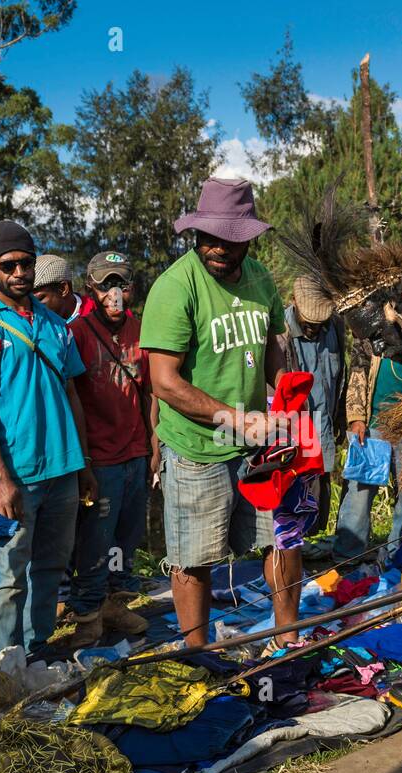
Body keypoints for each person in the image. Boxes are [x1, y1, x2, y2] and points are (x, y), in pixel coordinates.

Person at [140, 177, 293, 648]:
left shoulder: (262, 279)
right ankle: (198, 651)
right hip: (196, 448)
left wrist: (287, 404)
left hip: (255, 441)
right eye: (209, 238)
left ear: (248, 238)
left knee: (281, 535)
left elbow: (273, 348)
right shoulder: (174, 287)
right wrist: (236, 418)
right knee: (195, 556)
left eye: (231, 239)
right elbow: (164, 382)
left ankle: (289, 636)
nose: (219, 248)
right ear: (196, 235)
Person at [0, 221, 97, 657]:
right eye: (8, 265)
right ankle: (0, 664)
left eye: (26, 262)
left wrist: (84, 465)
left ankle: (34, 653)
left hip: (62, 469)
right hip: (13, 476)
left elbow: (72, 395)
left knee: (50, 567)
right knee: (7, 574)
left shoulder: (56, 325)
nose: (20, 272)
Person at [61, 251, 154, 645]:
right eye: (105, 286)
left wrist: (154, 443)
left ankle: (117, 604)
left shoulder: (141, 330)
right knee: (95, 542)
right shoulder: (76, 334)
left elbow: (149, 389)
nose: (114, 295)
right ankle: (88, 616)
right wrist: (82, 462)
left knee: (127, 536)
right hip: (99, 458)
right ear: (90, 289)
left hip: (136, 453)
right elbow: (69, 398)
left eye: (122, 285)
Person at [333, 323, 402, 567]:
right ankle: (347, 558)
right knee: (359, 491)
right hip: (373, 424)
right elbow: (358, 372)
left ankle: (397, 554)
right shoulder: (373, 330)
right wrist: (356, 417)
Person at [280, 274, 347, 531]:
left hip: (325, 425)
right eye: (308, 323)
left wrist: (341, 416)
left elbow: (341, 374)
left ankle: (316, 538)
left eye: (319, 323)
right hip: (294, 433)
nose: (313, 329)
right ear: (294, 302)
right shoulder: (280, 333)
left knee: (322, 483)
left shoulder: (335, 326)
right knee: (296, 493)